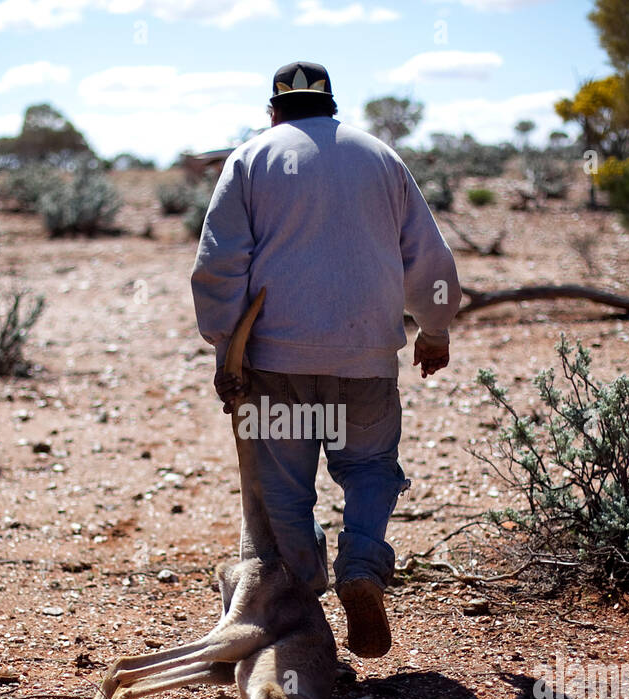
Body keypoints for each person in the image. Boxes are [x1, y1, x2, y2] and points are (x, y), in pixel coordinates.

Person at [191, 61, 460, 658]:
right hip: (366, 357)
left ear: (274, 112)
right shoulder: (381, 157)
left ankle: (305, 587)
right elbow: (427, 255)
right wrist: (435, 328)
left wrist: (224, 344)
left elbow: (218, 263)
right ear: (333, 107)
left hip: (274, 360)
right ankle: (361, 561)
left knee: (284, 486)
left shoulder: (252, 158)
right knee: (370, 468)